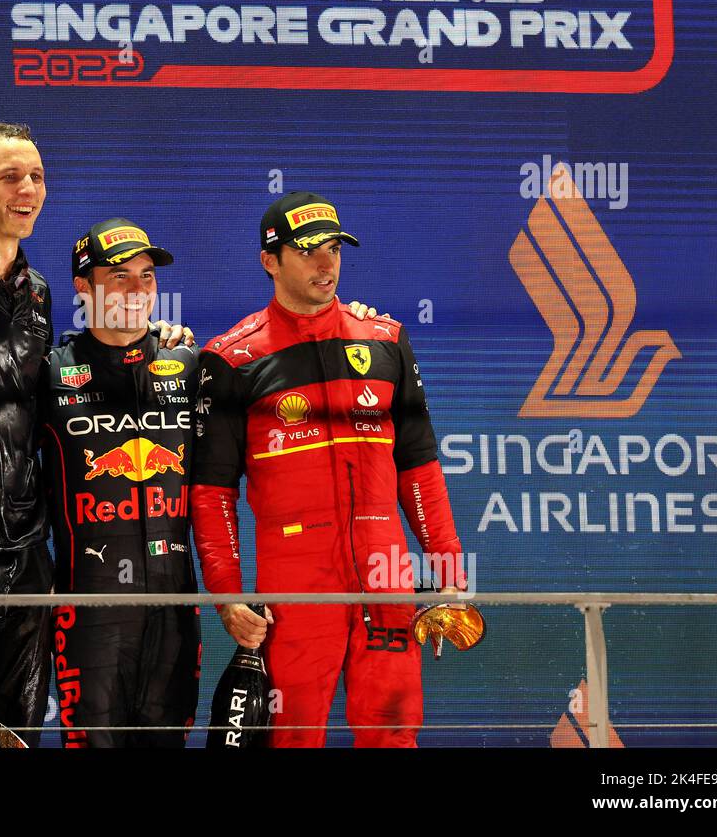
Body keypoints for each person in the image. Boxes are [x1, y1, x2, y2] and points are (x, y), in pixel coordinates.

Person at [189, 191, 467, 748]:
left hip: (386, 567)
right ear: (270, 260)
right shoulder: (230, 359)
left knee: (394, 730)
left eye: (335, 248)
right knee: (290, 736)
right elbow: (211, 490)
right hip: (294, 574)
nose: (327, 263)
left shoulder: (385, 340)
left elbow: (419, 468)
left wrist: (449, 576)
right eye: (309, 251)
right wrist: (227, 593)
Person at [41, 218, 200, 747]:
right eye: (119, 276)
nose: (137, 290)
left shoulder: (189, 363)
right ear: (83, 288)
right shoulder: (48, 371)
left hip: (175, 602)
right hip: (88, 608)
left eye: (147, 276)